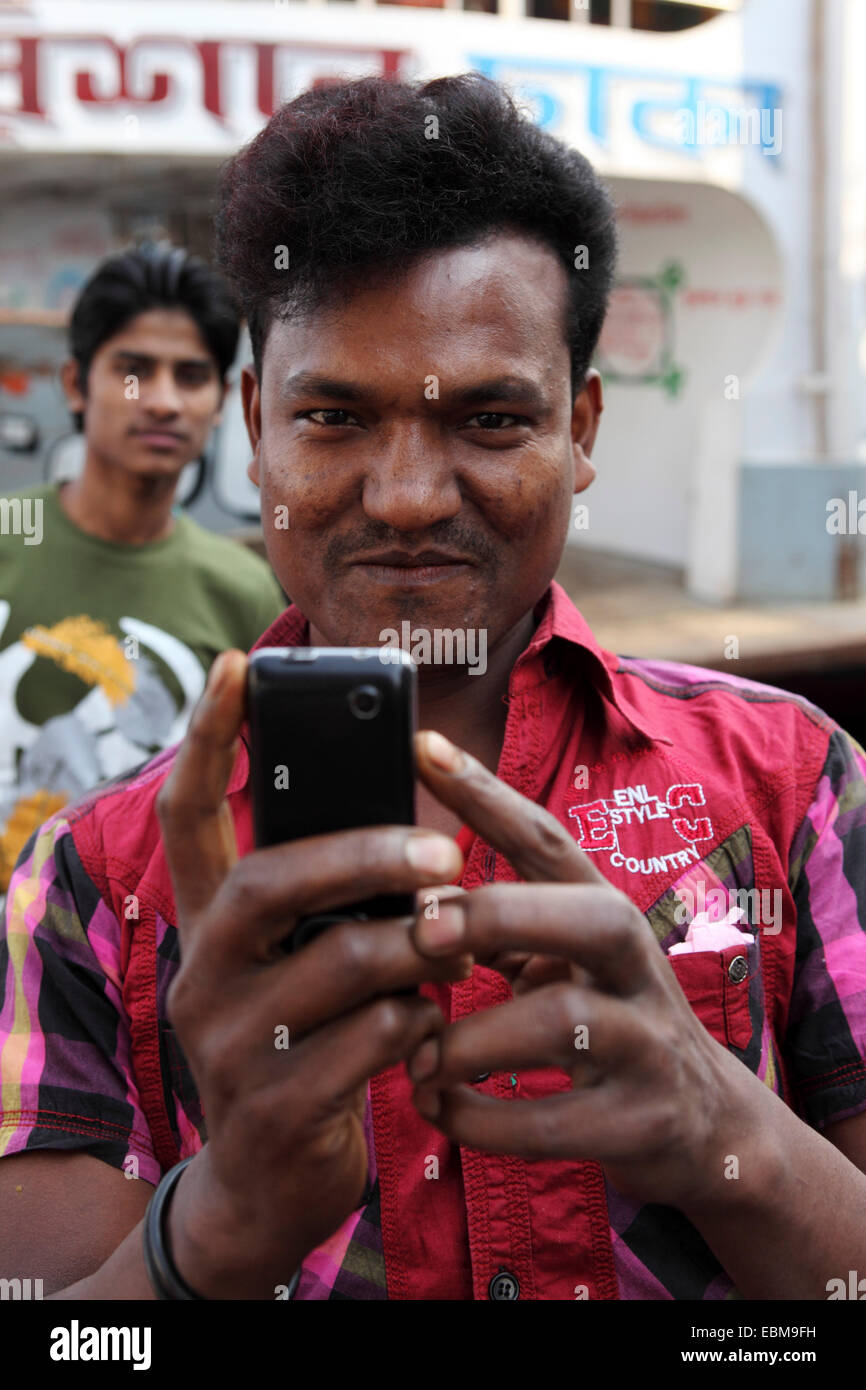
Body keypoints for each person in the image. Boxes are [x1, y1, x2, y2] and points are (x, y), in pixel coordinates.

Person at [1, 74, 865, 1302]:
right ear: (257, 429)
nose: (406, 496)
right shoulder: (90, 883)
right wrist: (222, 1226)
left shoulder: (795, 787)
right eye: (334, 416)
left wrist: (726, 1137)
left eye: (491, 420)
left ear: (581, 429)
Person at [0, 246, 285, 906]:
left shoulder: (241, 591)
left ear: (221, 402)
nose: (161, 401)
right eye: (133, 372)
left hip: (137, 967)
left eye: (190, 376)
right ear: (76, 384)